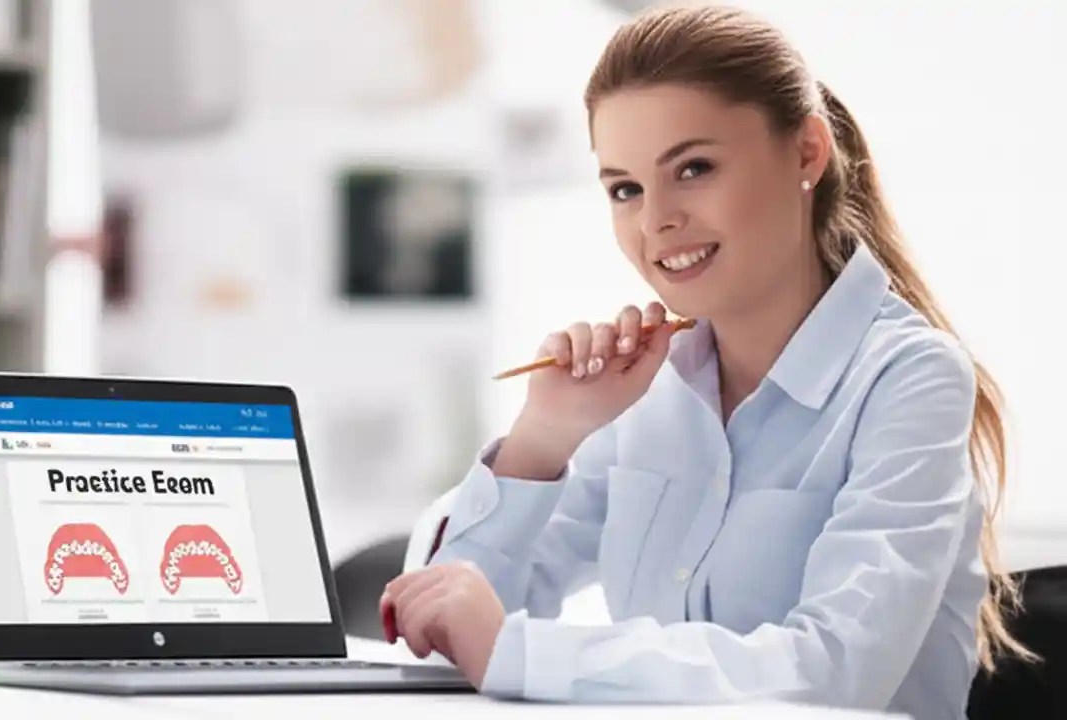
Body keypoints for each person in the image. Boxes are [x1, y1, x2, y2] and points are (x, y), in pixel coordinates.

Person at [378, 4, 1032, 717]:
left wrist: (521, 651)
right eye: (624, 188)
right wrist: (541, 442)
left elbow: (837, 672)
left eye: (693, 168)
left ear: (807, 152)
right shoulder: (651, 391)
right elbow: (443, 628)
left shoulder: (911, 377)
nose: (655, 218)